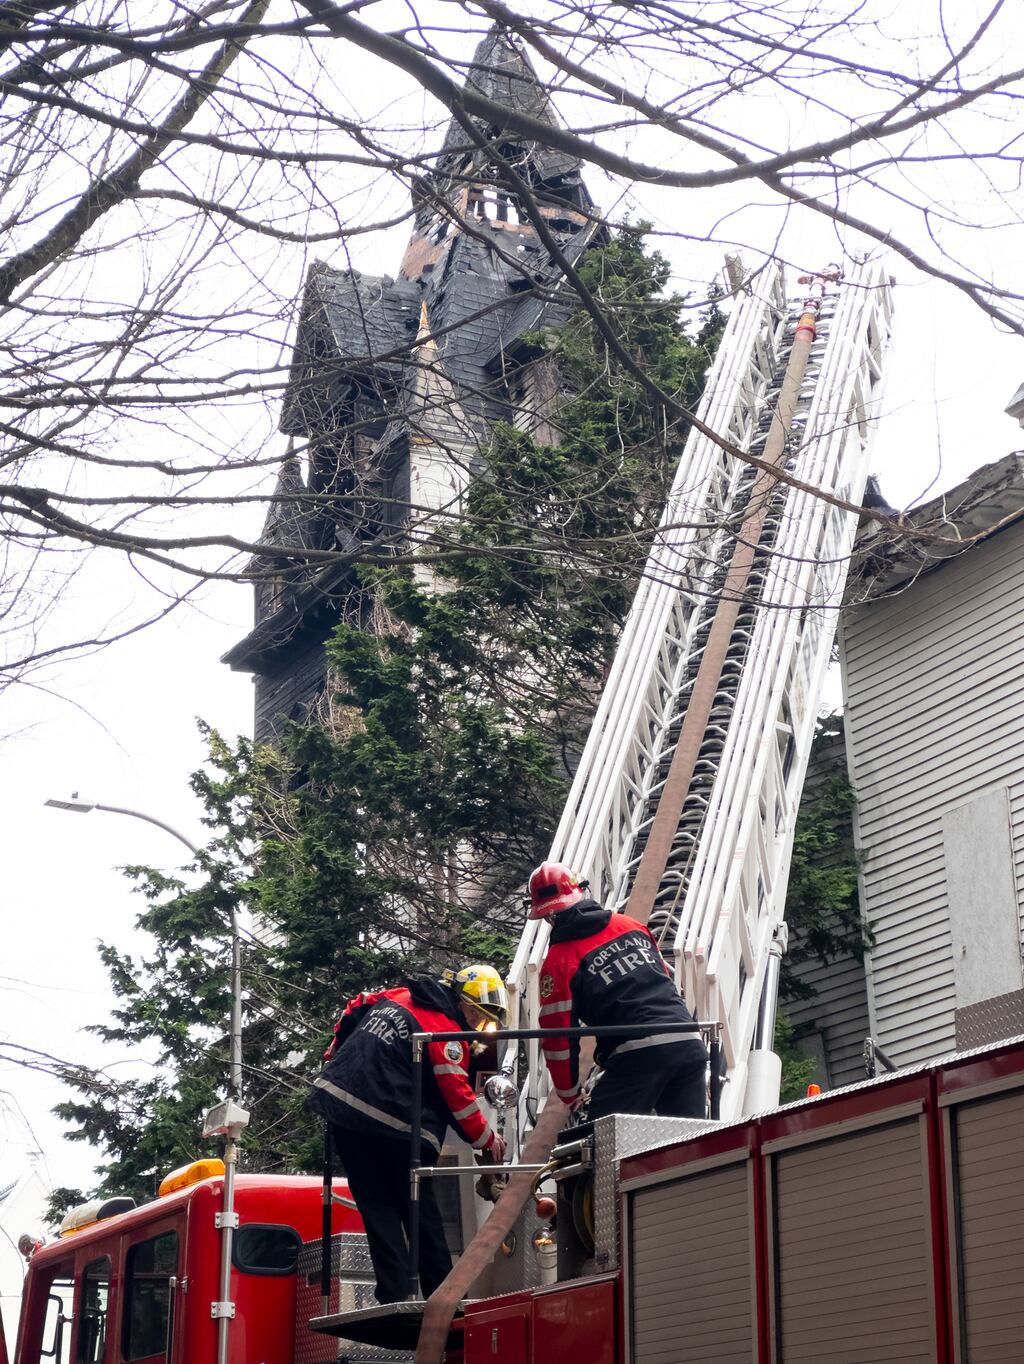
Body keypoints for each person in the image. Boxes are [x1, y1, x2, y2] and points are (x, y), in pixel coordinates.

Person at [306, 964, 509, 1303]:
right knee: (420, 1212)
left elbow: (355, 1007)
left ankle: (395, 1292)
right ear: (463, 1003)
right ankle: (444, 1295)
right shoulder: (445, 1032)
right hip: (391, 1123)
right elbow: (456, 1096)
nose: (478, 1026)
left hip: (343, 1108)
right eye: (478, 1016)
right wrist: (488, 1139)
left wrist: (336, 1055)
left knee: (377, 1206)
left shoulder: (398, 996)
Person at [529, 861, 708, 1121]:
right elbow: (665, 981)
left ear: (547, 916)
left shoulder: (559, 961)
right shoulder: (631, 925)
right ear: (582, 892)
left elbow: (558, 1036)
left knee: (599, 1142)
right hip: (689, 1042)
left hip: (638, 1053)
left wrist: (569, 1093)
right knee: (689, 1146)